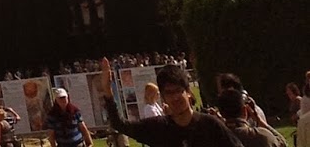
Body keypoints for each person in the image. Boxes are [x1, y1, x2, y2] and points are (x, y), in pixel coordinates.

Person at [96, 58, 237, 147]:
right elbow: (120, 125)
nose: (175, 97)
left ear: (188, 92)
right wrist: (108, 93)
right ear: (162, 97)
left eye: (178, 91)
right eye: (169, 93)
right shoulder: (158, 128)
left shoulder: (210, 125)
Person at [215, 89, 283, 147]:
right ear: (245, 110)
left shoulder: (215, 140)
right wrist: (259, 119)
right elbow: (282, 143)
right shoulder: (262, 136)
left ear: (221, 113)